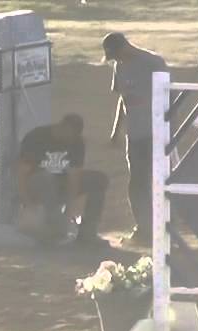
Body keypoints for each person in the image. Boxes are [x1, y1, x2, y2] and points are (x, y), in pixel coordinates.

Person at [103, 31, 168, 247]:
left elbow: (169, 96)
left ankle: (166, 229)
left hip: (156, 132)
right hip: (135, 134)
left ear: (125, 46)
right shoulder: (119, 67)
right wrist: (116, 131)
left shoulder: (153, 63)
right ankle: (144, 229)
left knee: (159, 181)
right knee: (137, 184)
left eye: (116, 54)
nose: (116, 59)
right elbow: (123, 100)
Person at [16, 113, 109, 246]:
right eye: (68, 133)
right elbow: (21, 173)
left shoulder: (77, 142)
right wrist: (28, 203)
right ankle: (52, 229)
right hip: (37, 183)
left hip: (60, 184)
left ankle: (88, 232)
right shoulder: (37, 137)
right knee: (46, 178)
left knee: (99, 180)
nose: (70, 138)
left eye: (74, 135)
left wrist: (70, 208)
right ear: (61, 126)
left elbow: (74, 176)